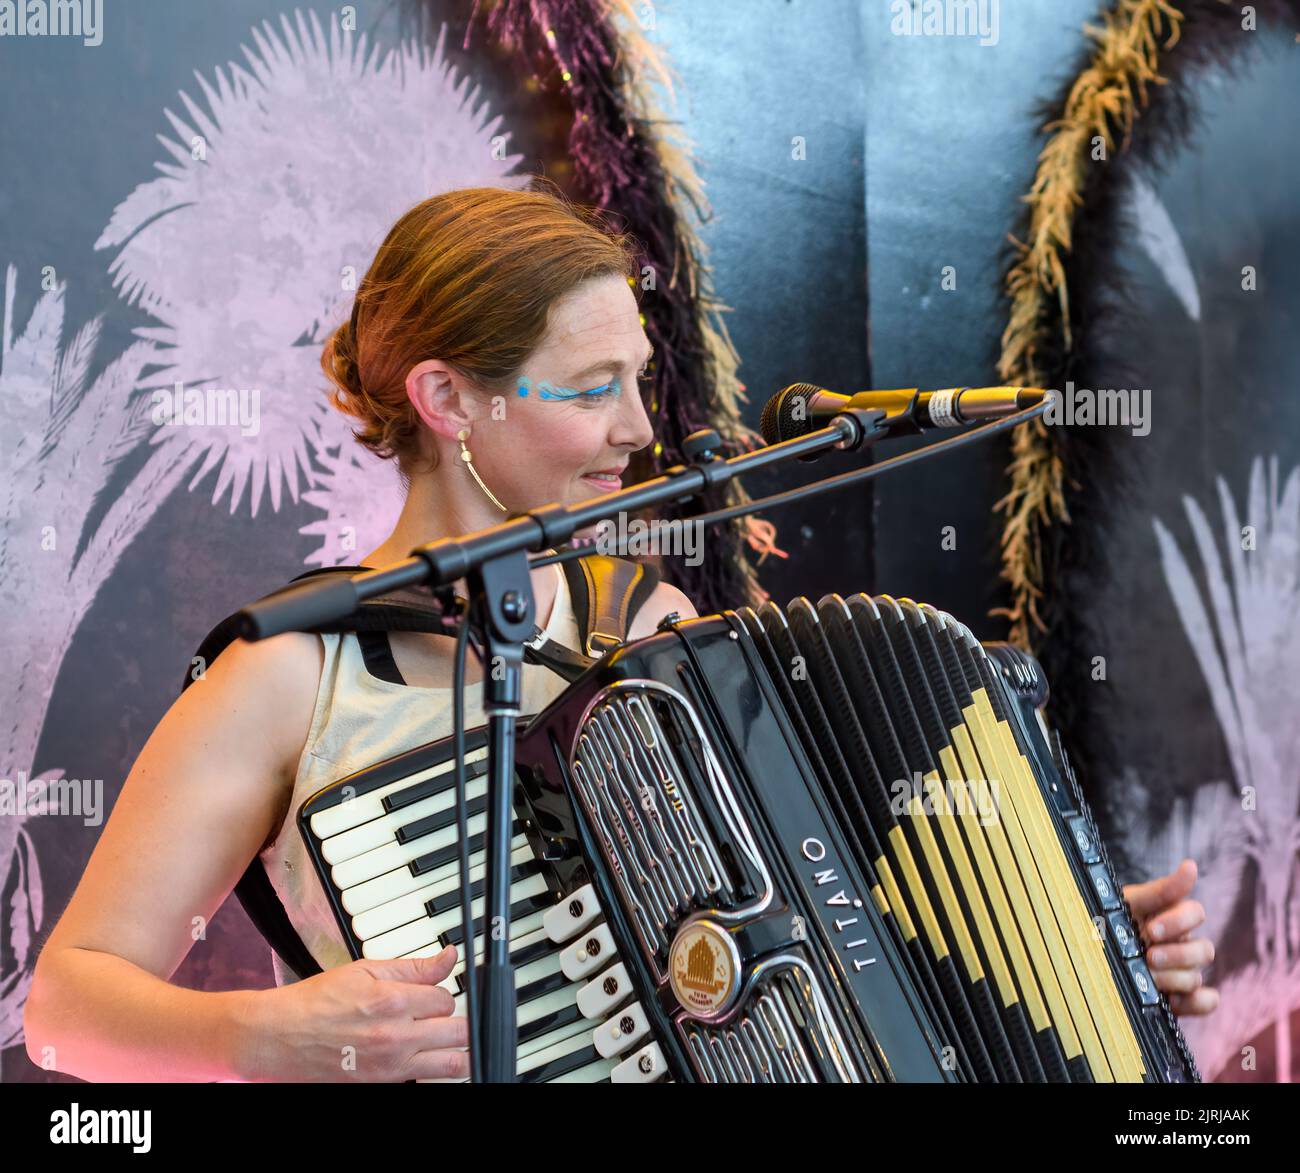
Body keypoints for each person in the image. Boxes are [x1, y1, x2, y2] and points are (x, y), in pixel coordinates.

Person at [22, 184, 1214, 1085]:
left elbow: (805, 934)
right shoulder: (286, 672)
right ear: (450, 401)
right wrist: (263, 1037)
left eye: (640, 380)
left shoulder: (649, 630)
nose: (639, 427)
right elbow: (65, 1008)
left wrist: (1076, 953)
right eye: (592, 388)